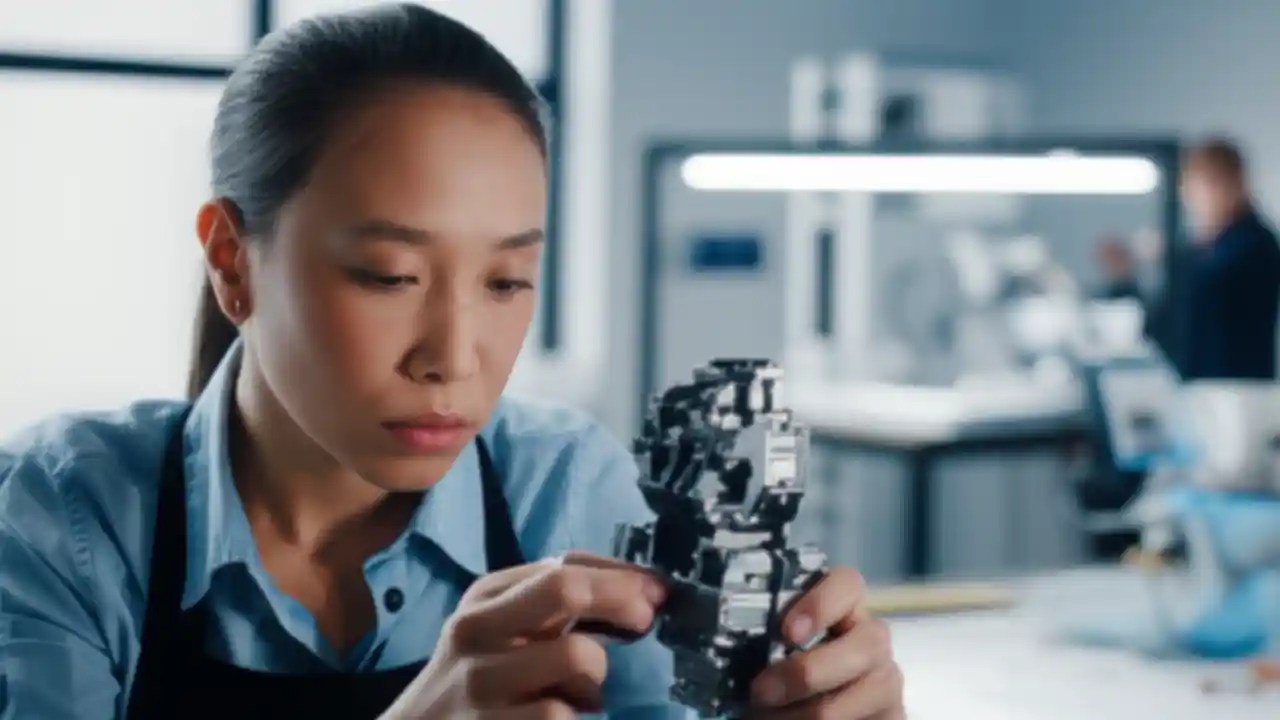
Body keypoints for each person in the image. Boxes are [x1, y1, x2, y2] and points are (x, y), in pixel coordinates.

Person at [0, 5, 903, 719]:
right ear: (234, 263)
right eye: (390, 276)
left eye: (507, 281)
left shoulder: (567, 489)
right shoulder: (63, 517)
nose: (456, 357)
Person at [1178, 138, 1280, 380]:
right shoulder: (1220, 245)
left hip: (1237, 389)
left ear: (1229, 184)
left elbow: (1205, 291)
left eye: (1198, 191)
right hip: (1211, 387)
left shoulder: (1254, 244)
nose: (1193, 204)